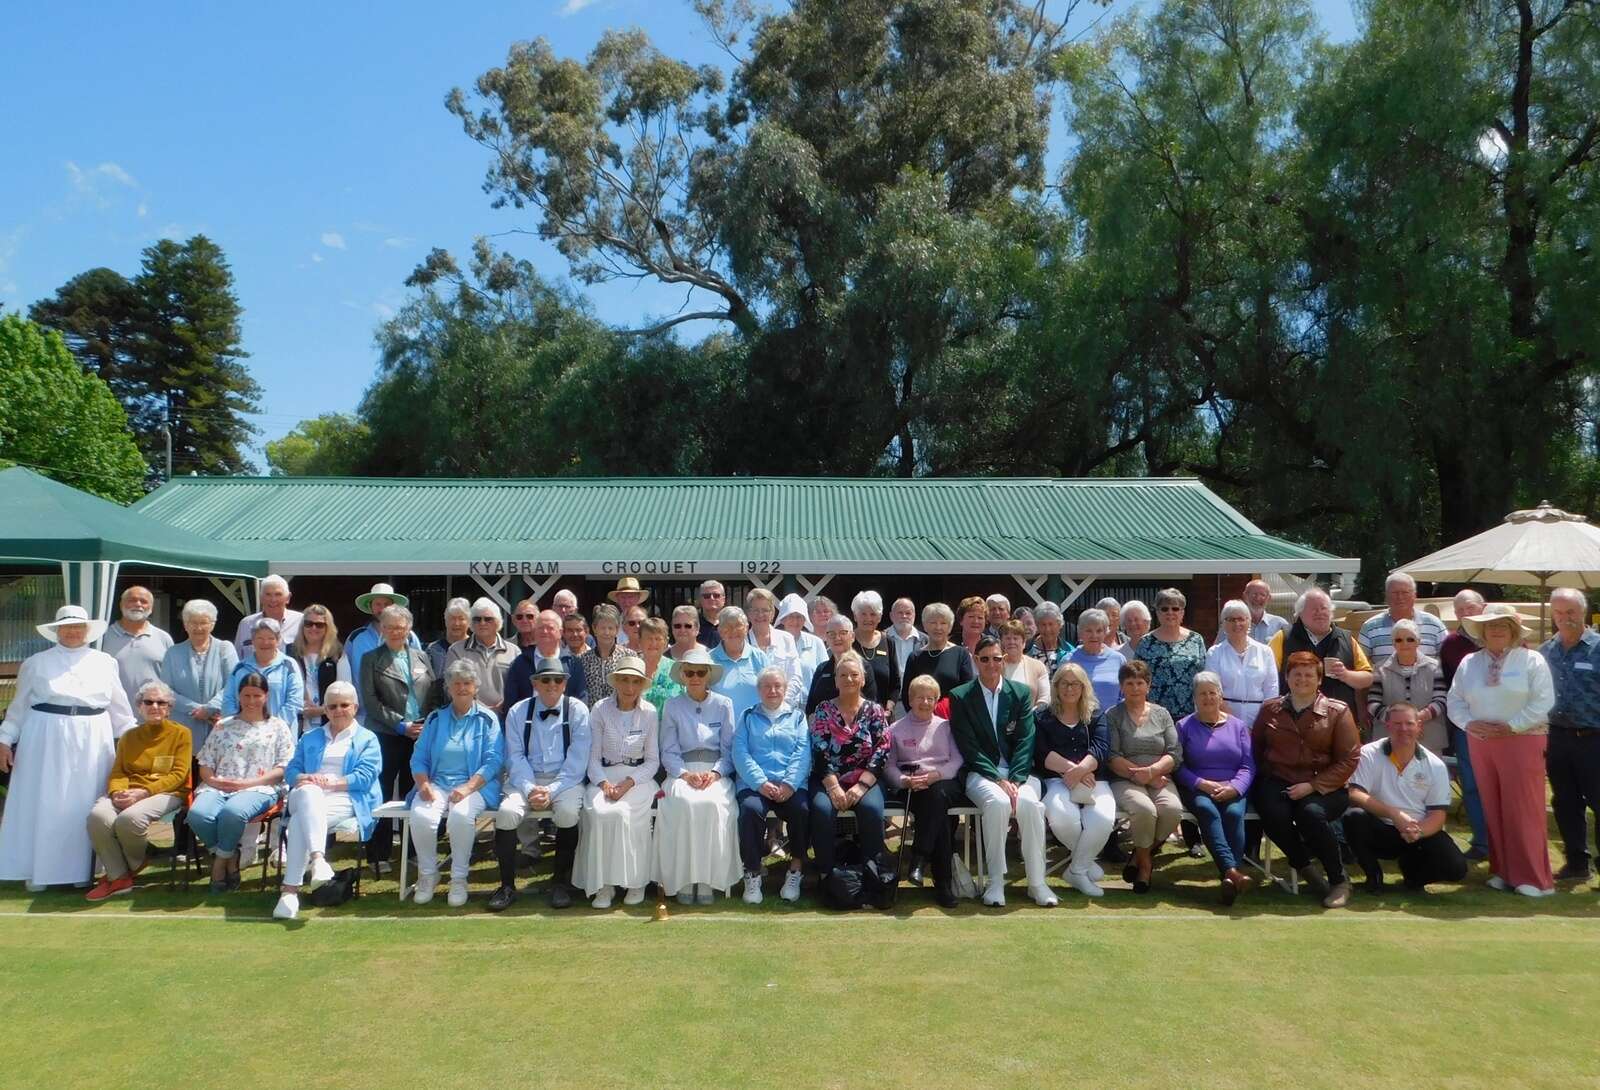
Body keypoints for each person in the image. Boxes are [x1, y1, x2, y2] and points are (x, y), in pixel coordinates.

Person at [0, 606, 137, 890]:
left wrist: (133, 741)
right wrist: (5, 739)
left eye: (78, 626)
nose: (73, 632)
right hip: (44, 738)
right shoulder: (36, 663)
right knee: (43, 802)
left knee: (85, 804)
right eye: (67, 627)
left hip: (93, 739)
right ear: (56, 631)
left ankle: (80, 871)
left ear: (87, 630)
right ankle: (38, 871)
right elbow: (19, 708)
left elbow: (120, 710)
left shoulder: (105, 662)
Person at [1447, 604, 1556, 897]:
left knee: (1523, 808)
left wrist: (1513, 726)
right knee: (1492, 807)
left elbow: (1543, 701)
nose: (1496, 630)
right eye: (1491, 625)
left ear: (1514, 630)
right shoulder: (1470, 662)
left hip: (1523, 739)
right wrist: (1469, 724)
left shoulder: (1531, 660)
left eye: (1503, 625)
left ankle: (1533, 878)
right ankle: (1503, 871)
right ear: (1482, 631)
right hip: (1481, 742)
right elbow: (1455, 700)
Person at [949, 637, 1054, 907]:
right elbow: (969, 747)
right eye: (984, 659)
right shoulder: (960, 696)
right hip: (980, 773)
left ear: (1004, 660)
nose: (991, 664)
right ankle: (995, 882)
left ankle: (1037, 883)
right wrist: (998, 779)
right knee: (997, 803)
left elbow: (1025, 741)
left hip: (1020, 773)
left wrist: (1015, 780)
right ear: (976, 661)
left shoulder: (1020, 693)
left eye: (996, 658)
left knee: (1030, 805)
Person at [1251, 651, 1362, 908]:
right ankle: (1306, 869)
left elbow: (1349, 759)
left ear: (1319, 679)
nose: (1302, 679)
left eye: (1309, 675)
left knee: (1310, 814)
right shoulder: (1269, 710)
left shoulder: (1338, 711)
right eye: (1296, 674)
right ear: (1287, 678)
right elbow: (1257, 748)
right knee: (1273, 813)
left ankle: (1339, 880)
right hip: (1278, 780)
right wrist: (1269, 777)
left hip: (1325, 785)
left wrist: (1312, 786)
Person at [273, 681, 383, 920]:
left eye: (344, 705)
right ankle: (318, 859)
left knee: (298, 822)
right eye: (332, 706)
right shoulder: (310, 737)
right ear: (324, 709)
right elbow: (291, 771)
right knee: (309, 793)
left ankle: (289, 893)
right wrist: (305, 777)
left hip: (347, 797)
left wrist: (330, 782)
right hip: (305, 794)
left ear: (355, 707)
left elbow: (365, 777)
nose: (338, 710)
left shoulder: (367, 739)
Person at [492, 656, 592, 912]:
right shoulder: (517, 711)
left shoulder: (578, 710)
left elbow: (577, 761)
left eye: (557, 680)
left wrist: (550, 790)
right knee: (506, 813)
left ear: (565, 683)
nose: (552, 685)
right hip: (525, 778)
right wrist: (530, 789)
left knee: (568, 813)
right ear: (535, 683)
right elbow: (514, 757)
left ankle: (559, 883)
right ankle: (506, 886)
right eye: (545, 680)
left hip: (565, 780)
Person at [407, 660, 504, 908]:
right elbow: (419, 758)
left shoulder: (488, 719)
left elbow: (494, 761)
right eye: (456, 683)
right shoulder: (435, 719)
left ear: (475, 687)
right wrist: (423, 784)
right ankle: (428, 875)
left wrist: (468, 787)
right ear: (449, 688)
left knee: (460, 816)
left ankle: (459, 879)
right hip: (437, 784)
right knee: (421, 816)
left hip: (476, 786)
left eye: (467, 683)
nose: (462, 688)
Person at [84, 680, 191, 901]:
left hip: (167, 792)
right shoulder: (129, 736)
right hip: (128, 791)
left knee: (129, 819)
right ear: (139, 707)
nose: (155, 706)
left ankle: (133, 863)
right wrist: (117, 792)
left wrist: (144, 792)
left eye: (161, 702)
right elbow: (118, 771)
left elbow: (178, 775)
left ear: (169, 708)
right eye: (148, 702)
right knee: (98, 816)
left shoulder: (181, 734)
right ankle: (120, 877)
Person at [1345, 702, 1468, 894]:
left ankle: (1414, 878)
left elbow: (1438, 815)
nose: (1403, 729)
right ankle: (1373, 877)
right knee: (1353, 817)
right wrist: (1394, 814)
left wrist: (1419, 832)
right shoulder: (1368, 753)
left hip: (1416, 831)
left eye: (1409, 723)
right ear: (1388, 726)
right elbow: (1354, 793)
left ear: (1419, 726)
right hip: (1380, 827)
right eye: (1397, 724)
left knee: (1457, 868)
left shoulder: (1435, 765)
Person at [189, 672, 294, 893]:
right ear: (239, 696)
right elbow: (205, 762)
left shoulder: (278, 727)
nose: (251, 701)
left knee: (233, 813)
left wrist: (247, 784)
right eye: (246, 695)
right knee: (198, 815)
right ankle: (230, 855)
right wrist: (214, 781)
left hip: (260, 787)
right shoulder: (223, 725)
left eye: (257, 695)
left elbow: (283, 768)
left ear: (266, 696)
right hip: (219, 785)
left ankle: (220, 865)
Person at [574, 656, 660, 908]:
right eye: (624, 680)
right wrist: (604, 784)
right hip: (604, 777)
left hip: (638, 779)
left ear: (642, 685)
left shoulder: (650, 712)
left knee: (624, 814)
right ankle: (604, 884)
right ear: (616, 681)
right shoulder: (600, 709)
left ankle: (636, 882)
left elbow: (652, 761)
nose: (629, 687)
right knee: (600, 813)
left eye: (635, 681)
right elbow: (592, 758)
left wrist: (628, 783)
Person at [657, 648, 741, 904]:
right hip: (682, 772)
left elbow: (729, 750)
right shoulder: (672, 705)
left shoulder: (724, 704)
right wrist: (684, 775)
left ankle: (707, 880)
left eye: (700, 672)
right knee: (683, 804)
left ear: (708, 675)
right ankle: (683, 879)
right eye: (690, 672)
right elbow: (668, 751)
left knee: (711, 805)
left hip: (715, 772)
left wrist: (715, 773)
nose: (695, 677)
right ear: (683, 675)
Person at [358, 604, 438, 872]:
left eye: (400, 627)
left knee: (413, 792)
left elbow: (433, 692)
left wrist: (425, 724)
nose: (395, 631)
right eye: (389, 627)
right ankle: (378, 854)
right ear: (382, 628)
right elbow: (370, 701)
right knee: (381, 793)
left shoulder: (421, 656)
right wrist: (400, 725)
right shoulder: (370, 658)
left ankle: (412, 851)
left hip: (419, 734)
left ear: (409, 629)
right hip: (386, 734)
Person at [808, 652, 891, 885]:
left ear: (863, 679)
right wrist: (833, 787)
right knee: (822, 810)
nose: (849, 679)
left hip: (866, 779)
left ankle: (872, 875)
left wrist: (862, 786)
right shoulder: (824, 709)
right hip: (828, 779)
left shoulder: (875, 710)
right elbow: (818, 749)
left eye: (854, 675)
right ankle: (826, 876)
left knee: (871, 810)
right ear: (835, 681)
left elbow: (882, 748)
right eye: (843, 675)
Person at [1033, 663, 1114, 899]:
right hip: (1056, 779)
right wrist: (1074, 770)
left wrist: (1083, 769)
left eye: (1075, 683)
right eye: (1064, 683)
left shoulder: (1096, 714)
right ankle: (1086, 864)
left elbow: (1101, 748)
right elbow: (1041, 753)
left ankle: (1076, 870)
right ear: (1056, 686)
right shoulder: (1042, 716)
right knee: (1063, 818)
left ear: (1083, 686)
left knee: (1102, 819)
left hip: (1094, 779)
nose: (1069, 689)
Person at [1175, 672, 1256, 904]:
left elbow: (1248, 765)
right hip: (1198, 787)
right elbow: (1178, 766)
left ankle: (1229, 878)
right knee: (1207, 810)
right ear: (1194, 698)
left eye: (1212, 693)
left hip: (1233, 787)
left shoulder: (1238, 726)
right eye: (1202, 694)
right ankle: (1232, 873)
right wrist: (1202, 784)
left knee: (1233, 813)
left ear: (1221, 696)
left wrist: (1235, 788)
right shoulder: (1183, 726)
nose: (1208, 698)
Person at [884, 675, 963, 907]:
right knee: (938, 813)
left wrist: (936, 775)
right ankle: (942, 884)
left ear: (937, 701)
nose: (925, 703)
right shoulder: (895, 729)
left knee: (936, 796)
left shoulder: (946, 727)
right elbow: (888, 766)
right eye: (920, 697)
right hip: (911, 787)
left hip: (943, 782)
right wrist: (904, 781)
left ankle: (920, 857)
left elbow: (957, 761)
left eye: (931, 698)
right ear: (910, 699)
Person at [1106, 659, 1183, 895]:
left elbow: (1174, 753)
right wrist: (1144, 776)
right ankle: (1146, 866)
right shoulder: (1113, 715)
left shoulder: (1162, 714)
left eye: (1140, 683)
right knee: (1145, 810)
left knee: (1171, 810)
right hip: (1124, 777)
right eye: (1129, 683)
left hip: (1159, 776)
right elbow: (1112, 756)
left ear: (1148, 685)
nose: (1135, 688)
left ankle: (1138, 856)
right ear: (1121, 686)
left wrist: (1153, 772)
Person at [734, 668, 811, 904]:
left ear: (785, 690)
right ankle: (753, 872)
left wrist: (789, 784)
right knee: (750, 810)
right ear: (759, 690)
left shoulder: (798, 717)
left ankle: (795, 870)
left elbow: (803, 753)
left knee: (802, 810)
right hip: (755, 785)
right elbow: (740, 753)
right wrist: (760, 783)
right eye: (767, 686)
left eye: (778, 686)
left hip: (790, 785)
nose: (773, 690)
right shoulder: (747, 716)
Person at [1542, 588, 1600, 882]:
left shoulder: (1598, 648)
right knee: (1565, 802)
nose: (1565, 618)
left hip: (1594, 738)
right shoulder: (1545, 651)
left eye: (1571, 612)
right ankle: (1577, 864)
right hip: (1557, 738)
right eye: (1559, 613)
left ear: (1583, 613)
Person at [1440, 588, 1491, 861]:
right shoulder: (1450, 644)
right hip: (1465, 726)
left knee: (1501, 786)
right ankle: (1482, 843)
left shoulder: (1501, 635)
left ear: (1483, 607)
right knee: (1471, 786)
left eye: (1470, 607)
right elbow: (1449, 688)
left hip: (1502, 727)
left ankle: (1506, 843)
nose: (1465, 613)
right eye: (1459, 610)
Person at [1268, 587, 1375, 711]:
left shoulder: (1346, 639)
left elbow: (1367, 678)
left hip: (1338, 717)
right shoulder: (1283, 637)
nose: (1319, 612)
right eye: (1314, 609)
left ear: (1331, 612)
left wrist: (1345, 674)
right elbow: (1267, 677)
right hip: (1292, 716)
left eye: (1323, 608)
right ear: (1300, 614)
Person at [161, 598, 239, 753]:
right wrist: (196, 709)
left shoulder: (225, 648)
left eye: (203, 622)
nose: (198, 628)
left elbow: (234, 683)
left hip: (218, 723)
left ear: (212, 624)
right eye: (193, 623)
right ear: (185, 625)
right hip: (183, 725)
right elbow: (166, 690)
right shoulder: (173, 653)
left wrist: (210, 708)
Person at [1367, 618, 1448, 750]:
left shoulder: (1434, 667)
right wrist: (1400, 723)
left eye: (1410, 639)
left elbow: (1441, 700)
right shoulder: (1380, 669)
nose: (1404, 643)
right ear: (1393, 643)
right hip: (1390, 738)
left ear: (1418, 641)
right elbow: (1373, 704)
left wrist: (1418, 719)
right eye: (1399, 640)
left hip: (1429, 737)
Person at [1136, 587, 1209, 720]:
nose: (1170, 612)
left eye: (1175, 608)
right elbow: (1138, 678)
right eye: (1164, 609)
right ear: (1157, 612)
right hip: (1155, 715)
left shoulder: (1196, 639)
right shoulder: (1145, 642)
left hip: (1191, 715)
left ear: (1182, 612)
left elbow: (1204, 675)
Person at [1205, 599, 1279, 728]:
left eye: (1241, 619)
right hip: (1225, 720)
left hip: (1260, 720)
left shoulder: (1265, 651)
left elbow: (1272, 689)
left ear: (1249, 622)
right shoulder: (1214, 653)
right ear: (1223, 624)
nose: (1237, 623)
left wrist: (1262, 722)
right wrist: (1235, 725)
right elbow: (1212, 690)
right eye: (1231, 619)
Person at [221, 618, 305, 728]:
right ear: (252, 640)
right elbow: (228, 700)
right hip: (243, 733)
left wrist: (272, 727)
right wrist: (238, 725)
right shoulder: (240, 667)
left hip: (279, 732)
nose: (265, 643)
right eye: (260, 638)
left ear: (278, 640)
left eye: (271, 638)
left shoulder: (289, 665)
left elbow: (294, 702)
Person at [101, 585, 173, 709]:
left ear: (151, 608)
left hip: (153, 713)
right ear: (121, 604)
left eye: (144, 601)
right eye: (132, 600)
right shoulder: (104, 637)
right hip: (113, 713)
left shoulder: (163, 638)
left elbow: (172, 681)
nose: (138, 604)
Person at [503, 609, 588, 711]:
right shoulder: (520, 663)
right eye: (541, 628)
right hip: (527, 720)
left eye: (550, 628)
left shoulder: (573, 663)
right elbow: (510, 702)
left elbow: (581, 699)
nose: (545, 632)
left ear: (560, 632)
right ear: (535, 632)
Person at [445, 599, 518, 715]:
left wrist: (504, 705)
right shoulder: (456, 651)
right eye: (477, 619)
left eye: (488, 619)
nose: (482, 623)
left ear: (498, 622)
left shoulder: (514, 651)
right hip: (469, 717)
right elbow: (450, 686)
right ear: (471, 623)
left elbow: (519, 687)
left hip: (506, 716)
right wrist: (482, 709)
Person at [1359, 572, 1448, 664]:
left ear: (1415, 595)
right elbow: (1360, 665)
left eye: (1405, 592)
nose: (1400, 597)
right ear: (1386, 596)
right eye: (1394, 593)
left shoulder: (1435, 625)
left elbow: (1448, 659)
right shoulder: (1369, 627)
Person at [900, 602, 975, 708]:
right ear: (925, 625)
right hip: (923, 714)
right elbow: (907, 694)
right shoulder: (915, 657)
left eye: (943, 623)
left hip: (953, 714)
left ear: (950, 627)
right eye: (933, 623)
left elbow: (967, 691)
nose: (938, 627)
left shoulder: (961, 654)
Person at [290, 603, 350, 732]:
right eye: (308, 623)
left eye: (319, 625)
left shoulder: (337, 654)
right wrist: (301, 706)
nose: (313, 628)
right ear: (302, 626)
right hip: (297, 723)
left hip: (330, 723)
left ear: (328, 628)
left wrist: (322, 710)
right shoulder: (291, 653)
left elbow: (345, 690)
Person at [343, 583, 419, 679]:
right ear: (370, 607)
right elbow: (344, 673)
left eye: (387, 604)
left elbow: (419, 672)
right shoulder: (355, 638)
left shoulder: (409, 637)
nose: (382, 609)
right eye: (378, 604)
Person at [806, 615, 880, 714]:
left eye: (843, 633)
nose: (837, 638)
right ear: (826, 638)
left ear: (852, 637)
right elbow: (810, 707)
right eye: (832, 634)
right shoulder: (822, 669)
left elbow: (870, 705)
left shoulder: (863, 667)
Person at [710, 606, 770, 723]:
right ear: (720, 631)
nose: (733, 630)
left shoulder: (759, 657)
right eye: (727, 626)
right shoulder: (709, 660)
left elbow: (770, 692)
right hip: (721, 729)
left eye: (738, 625)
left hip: (755, 728)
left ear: (746, 628)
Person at [746, 588, 805, 706]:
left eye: (765, 610)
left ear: (772, 614)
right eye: (755, 610)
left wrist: (780, 702)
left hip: (784, 707)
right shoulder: (743, 642)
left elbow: (796, 677)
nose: (760, 615)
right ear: (748, 614)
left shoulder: (786, 639)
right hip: (753, 708)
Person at [851, 591, 901, 717]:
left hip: (883, 716)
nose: (868, 619)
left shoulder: (888, 641)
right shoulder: (847, 641)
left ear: (879, 617)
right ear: (855, 616)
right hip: (852, 716)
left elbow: (895, 683)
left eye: (873, 614)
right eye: (863, 614)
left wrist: (889, 708)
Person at [1068, 608, 1125, 711]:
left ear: (1105, 632)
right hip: (1078, 719)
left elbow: (1125, 694)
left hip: (1113, 719)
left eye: (1099, 631)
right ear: (1080, 632)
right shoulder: (1069, 660)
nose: (1094, 635)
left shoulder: (1118, 659)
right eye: (1089, 631)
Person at [232, 574, 305, 654]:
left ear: (288, 598)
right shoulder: (246, 624)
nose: (273, 600)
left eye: (278, 594)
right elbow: (237, 657)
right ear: (261, 598)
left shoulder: (301, 622)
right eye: (268, 594)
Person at [580, 603, 630, 703]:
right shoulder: (583, 659)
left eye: (610, 628)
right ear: (594, 629)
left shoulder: (628, 656)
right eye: (602, 628)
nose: (606, 632)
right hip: (592, 712)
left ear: (617, 630)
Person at [427, 598, 473, 693]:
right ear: (445, 620)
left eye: (461, 619)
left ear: (469, 622)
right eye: (452, 618)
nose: (456, 623)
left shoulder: (475, 648)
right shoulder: (433, 649)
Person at [1000, 620, 1049, 707]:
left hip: (1032, 714)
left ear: (1024, 642)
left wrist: (1032, 713)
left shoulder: (1038, 666)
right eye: (1007, 638)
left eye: (1015, 638)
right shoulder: (995, 665)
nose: (1011, 642)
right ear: (1002, 642)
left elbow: (1045, 698)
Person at [777, 593, 829, 674]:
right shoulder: (773, 642)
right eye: (790, 616)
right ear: (782, 620)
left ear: (804, 620)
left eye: (798, 616)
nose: (795, 621)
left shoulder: (816, 642)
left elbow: (825, 673)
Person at [637, 617, 683, 708]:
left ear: (666, 642)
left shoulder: (676, 669)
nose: (653, 643)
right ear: (640, 641)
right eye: (649, 638)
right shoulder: (632, 668)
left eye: (658, 639)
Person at [884, 597, 927, 683]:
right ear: (891, 616)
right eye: (900, 613)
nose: (904, 616)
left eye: (908, 613)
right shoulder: (881, 639)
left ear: (914, 615)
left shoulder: (926, 641)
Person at [1027, 603, 1072, 676]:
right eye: (1043, 625)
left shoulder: (1069, 651)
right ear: (1037, 626)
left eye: (1051, 624)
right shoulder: (1027, 649)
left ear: (1059, 625)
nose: (1047, 629)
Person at [1244, 579, 1289, 645]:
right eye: (1254, 594)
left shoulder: (1280, 624)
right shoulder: (1236, 625)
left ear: (1269, 598)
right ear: (1245, 596)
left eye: (1262, 595)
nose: (1258, 598)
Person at [695, 580, 726, 649]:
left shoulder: (731, 624)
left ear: (723, 600)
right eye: (706, 596)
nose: (711, 598)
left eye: (716, 595)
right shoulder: (692, 625)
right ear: (700, 600)